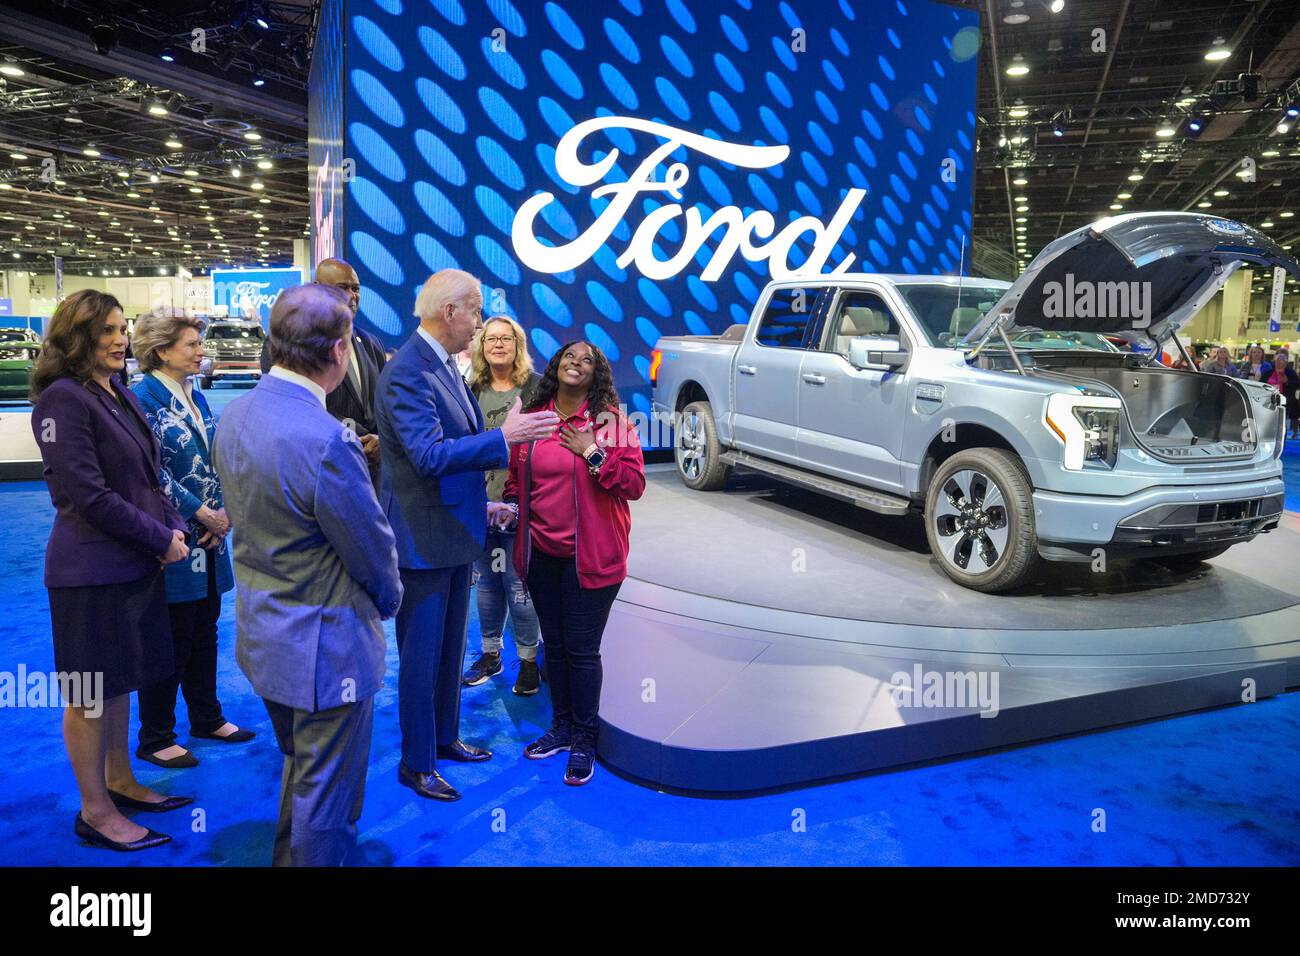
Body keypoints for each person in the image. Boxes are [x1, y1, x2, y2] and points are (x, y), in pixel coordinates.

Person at [214, 284, 403, 866]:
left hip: (264, 636)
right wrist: (390, 598)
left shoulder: (235, 412)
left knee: (302, 770)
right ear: (341, 350)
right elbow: (372, 553)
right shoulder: (325, 439)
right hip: (326, 650)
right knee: (329, 797)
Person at [375, 270, 558, 802]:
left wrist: (486, 505)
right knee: (422, 655)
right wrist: (505, 436)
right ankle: (416, 762)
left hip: (453, 531)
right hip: (422, 540)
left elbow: (450, 452)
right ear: (449, 311)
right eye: (475, 311)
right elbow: (429, 457)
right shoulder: (410, 370)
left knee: (450, 649)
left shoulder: (442, 366)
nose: (479, 323)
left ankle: (444, 738)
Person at [31, 290, 193, 853]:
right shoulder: (62, 400)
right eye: (108, 330)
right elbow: (87, 496)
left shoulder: (118, 392)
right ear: (78, 336)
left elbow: (150, 478)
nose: (121, 339)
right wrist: (159, 537)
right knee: (89, 693)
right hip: (89, 573)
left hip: (133, 564)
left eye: (124, 329)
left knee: (120, 682)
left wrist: (175, 527)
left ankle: (121, 781)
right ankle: (95, 811)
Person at [501, 340, 646, 786]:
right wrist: (510, 506)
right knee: (557, 646)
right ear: (556, 365)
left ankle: (585, 737)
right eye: (569, 356)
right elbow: (516, 479)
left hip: (593, 559)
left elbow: (634, 484)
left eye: (587, 361)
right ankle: (562, 727)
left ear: (597, 374)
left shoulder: (611, 423)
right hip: (541, 554)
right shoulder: (534, 417)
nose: (576, 363)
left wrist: (591, 451)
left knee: (582, 651)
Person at [131, 310, 253, 770]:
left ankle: (206, 717)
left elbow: (213, 455)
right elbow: (150, 471)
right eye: (192, 345)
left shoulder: (194, 394)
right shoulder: (141, 398)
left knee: (205, 628)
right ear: (161, 350)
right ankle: (156, 734)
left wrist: (225, 513)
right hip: (175, 532)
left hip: (212, 534)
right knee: (171, 636)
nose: (202, 352)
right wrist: (200, 512)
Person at [462, 316, 544, 694]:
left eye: (505, 338)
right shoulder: (468, 388)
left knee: (520, 586)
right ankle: (491, 654)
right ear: (481, 345)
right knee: (488, 585)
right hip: (480, 506)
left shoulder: (537, 388)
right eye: (491, 338)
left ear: (517, 344)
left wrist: (518, 503)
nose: (498, 344)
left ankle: (528, 660)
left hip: (524, 507)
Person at [259, 258, 387, 482]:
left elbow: (385, 403)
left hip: (372, 472)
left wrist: (380, 439)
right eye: (342, 288)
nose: (351, 295)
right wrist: (351, 438)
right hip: (320, 468)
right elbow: (290, 404)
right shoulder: (284, 342)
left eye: (355, 288)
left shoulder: (370, 343)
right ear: (317, 288)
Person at [1266, 347, 1300, 438]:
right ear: (1274, 360)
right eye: (1278, 359)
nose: (1280, 362)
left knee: (1290, 413)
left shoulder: (1291, 373)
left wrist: (1287, 381)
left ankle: (1290, 433)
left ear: (1286, 361)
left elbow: (1297, 384)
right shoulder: (1268, 372)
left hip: (1287, 399)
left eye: (1283, 359)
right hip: (1270, 399)